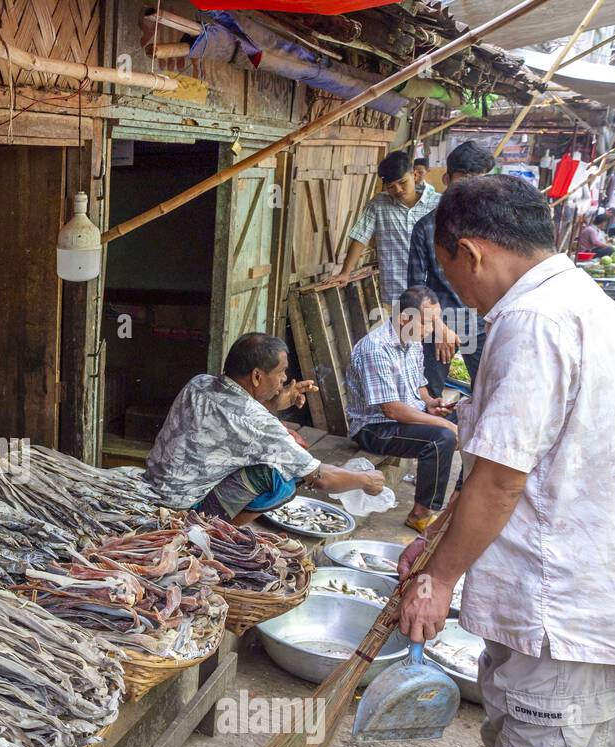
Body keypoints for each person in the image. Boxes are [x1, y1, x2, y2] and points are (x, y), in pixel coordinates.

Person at [397, 175, 615, 747]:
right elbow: (496, 465)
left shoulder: (534, 321)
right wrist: (436, 548)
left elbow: (498, 478)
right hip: (558, 563)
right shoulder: (579, 301)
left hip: (569, 583)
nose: (456, 287)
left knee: (555, 737)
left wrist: (440, 580)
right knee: (518, 715)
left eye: (448, 270)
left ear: (467, 251)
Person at [145, 332, 385, 524]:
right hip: (184, 508)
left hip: (156, 487)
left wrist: (275, 402)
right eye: (281, 372)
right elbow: (319, 477)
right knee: (281, 478)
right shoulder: (258, 422)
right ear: (257, 376)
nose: (284, 379)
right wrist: (366, 480)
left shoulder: (199, 383)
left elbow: (236, 420)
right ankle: (215, 532)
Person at [344, 286, 457, 534]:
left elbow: (419, 384)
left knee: (462, 417)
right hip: (373, 427)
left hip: (402, 416)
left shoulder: (411, 340)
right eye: (428, 322)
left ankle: (459, 500)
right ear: (406, 318)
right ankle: (421, 514)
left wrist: (430, 403)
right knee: (442, 438)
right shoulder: (376, 348)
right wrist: (442, 424)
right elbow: (392, 410)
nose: (432, 329)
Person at [407, 140, 495, 391]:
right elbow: (416, 288)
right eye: (464, 179)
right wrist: (439, 327)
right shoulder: (425, 228)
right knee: (426, 394)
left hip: (482, 324)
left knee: (490, 394)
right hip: (438, 323)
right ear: (446, 178)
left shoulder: (491, 227)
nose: (471, 189)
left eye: (479, 181)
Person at [331, 150, 440, 310]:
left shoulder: (439, 203)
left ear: (415, 175)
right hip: (396, 292)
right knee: (404, 334)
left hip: (434, 290)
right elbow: (360, 236)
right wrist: (345, 272)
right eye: (390, 187)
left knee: (438, 333)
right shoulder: (378, 205)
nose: (398, 190)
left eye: (402, 182)